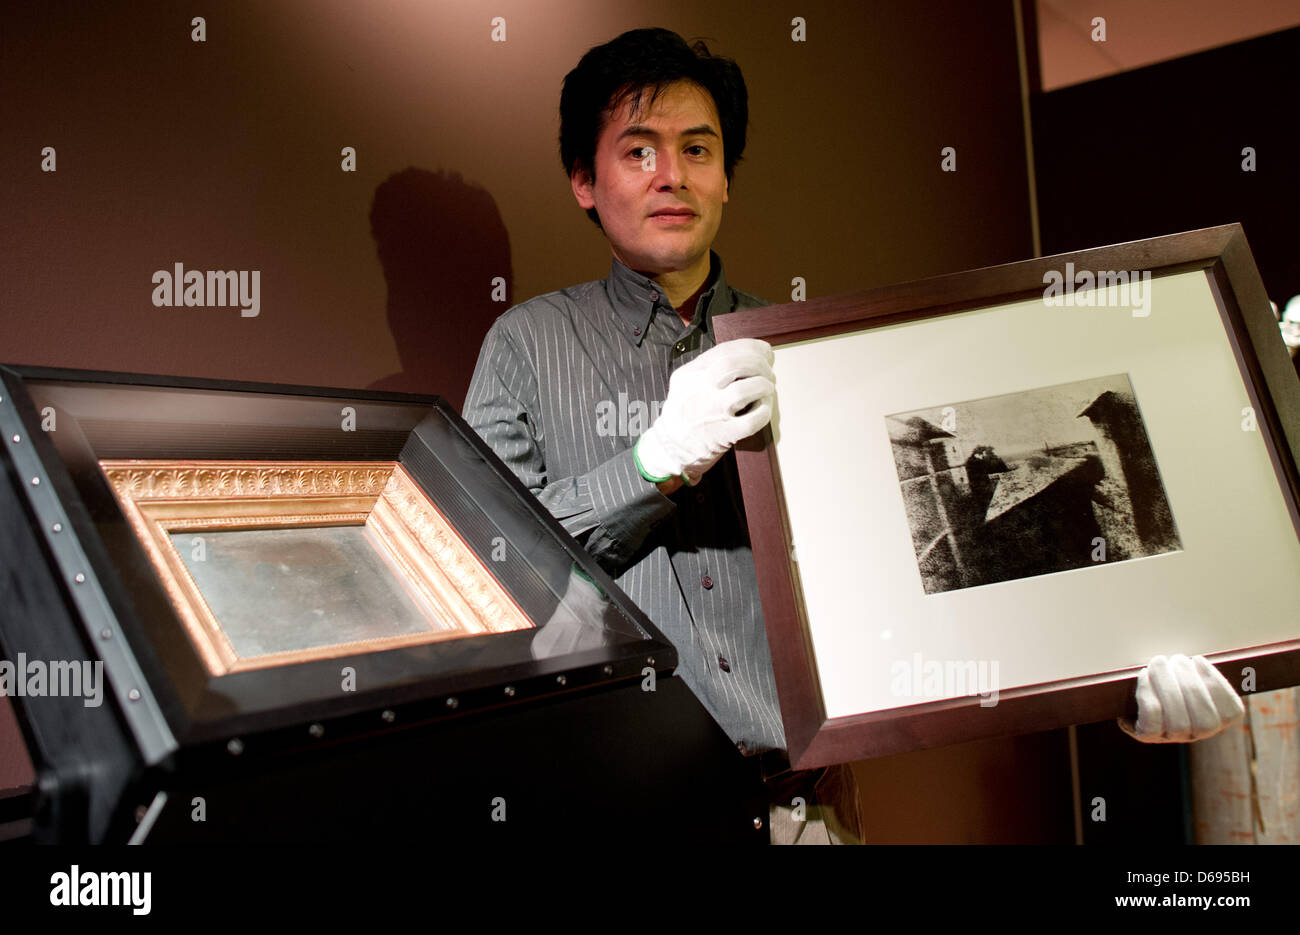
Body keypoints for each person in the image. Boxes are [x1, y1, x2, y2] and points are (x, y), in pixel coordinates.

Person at [462, 27, 1244, 844]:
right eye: (638, 152)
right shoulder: (526, 347)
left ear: (725, 176)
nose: (672, 175)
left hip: (806, 813)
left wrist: (1114, 679)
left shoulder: (815, 359)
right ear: (584, 181)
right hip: (613, 809)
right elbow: (491, 583)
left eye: (698, 148)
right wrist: (648, 464)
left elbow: (932, 571)